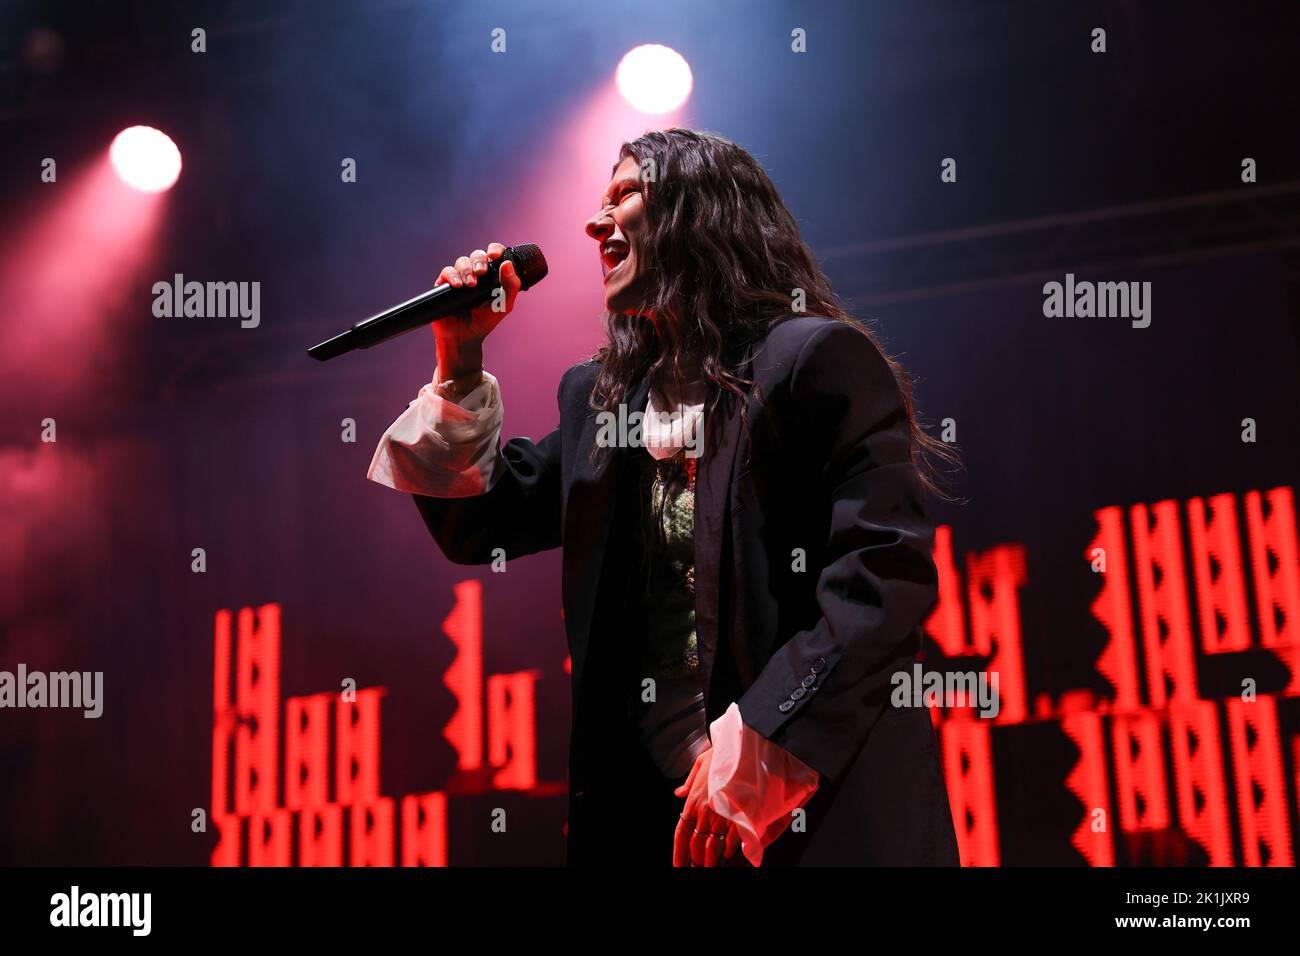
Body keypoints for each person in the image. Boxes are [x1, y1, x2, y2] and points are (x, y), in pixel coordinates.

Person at [368, 128, 960, 867]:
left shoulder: (810, 361)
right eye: (598, 201)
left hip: (808, 805)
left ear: (700, 209)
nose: (593, 223)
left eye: (624, 194)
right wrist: (459, 356)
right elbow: (480, 522)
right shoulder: (603, 402)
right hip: (654, 826)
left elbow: (879, 577)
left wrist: (758, 739)